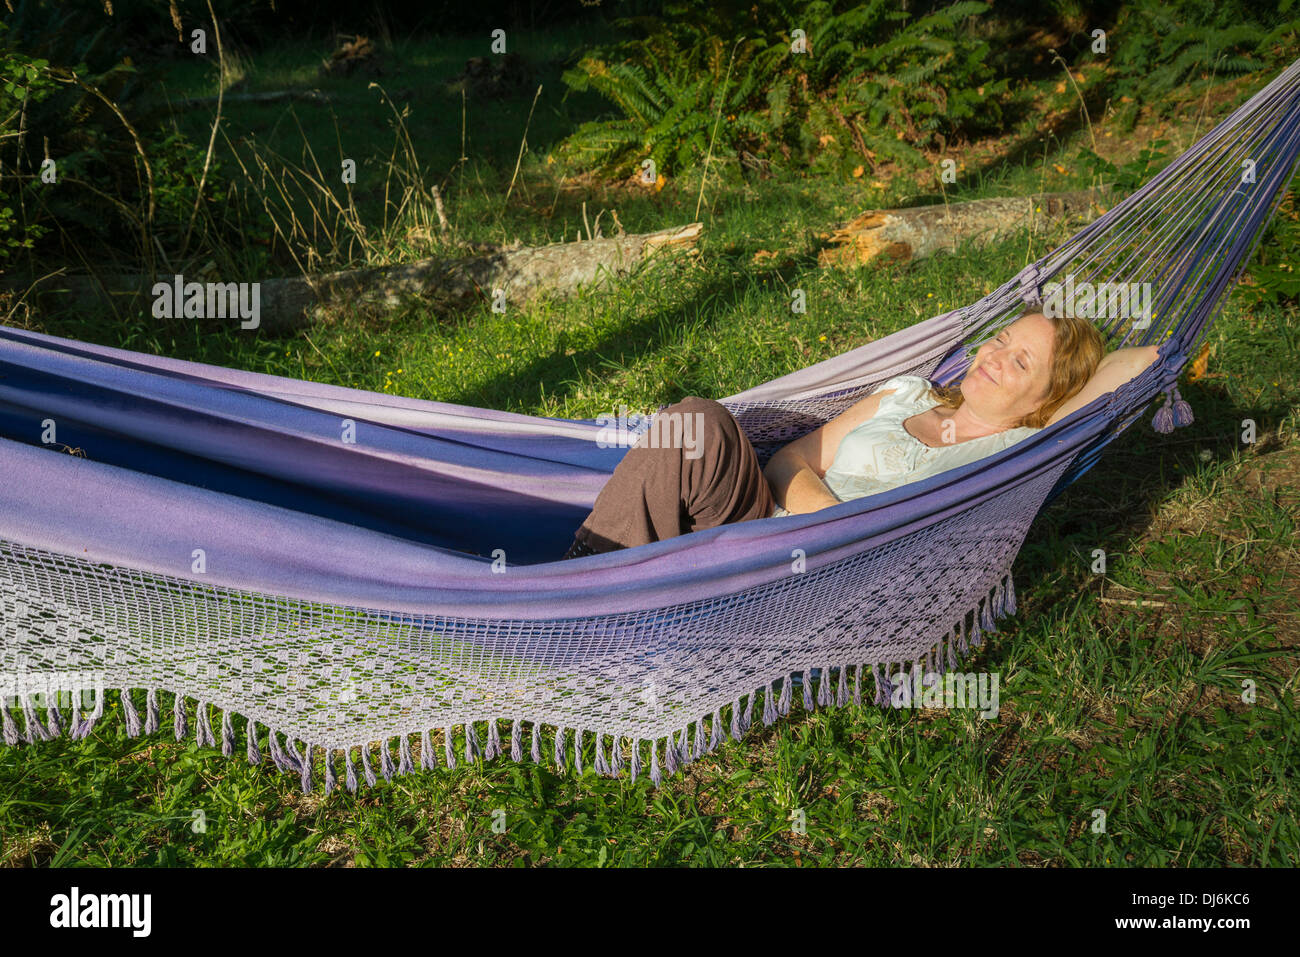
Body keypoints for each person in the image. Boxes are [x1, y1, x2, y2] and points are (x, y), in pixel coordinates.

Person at [561, 309, 1160, 559]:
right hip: (763, 523)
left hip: (834, 570)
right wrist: (820, 512)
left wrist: (836, 533)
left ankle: (600, 601)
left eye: (1021, 363)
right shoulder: (907, 392)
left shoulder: (1021, 450)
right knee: (698, 418)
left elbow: (1137, 363)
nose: (995, 356)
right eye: (1001, 339)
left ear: (1047, 400)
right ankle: (590, 578)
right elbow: (789, 459)